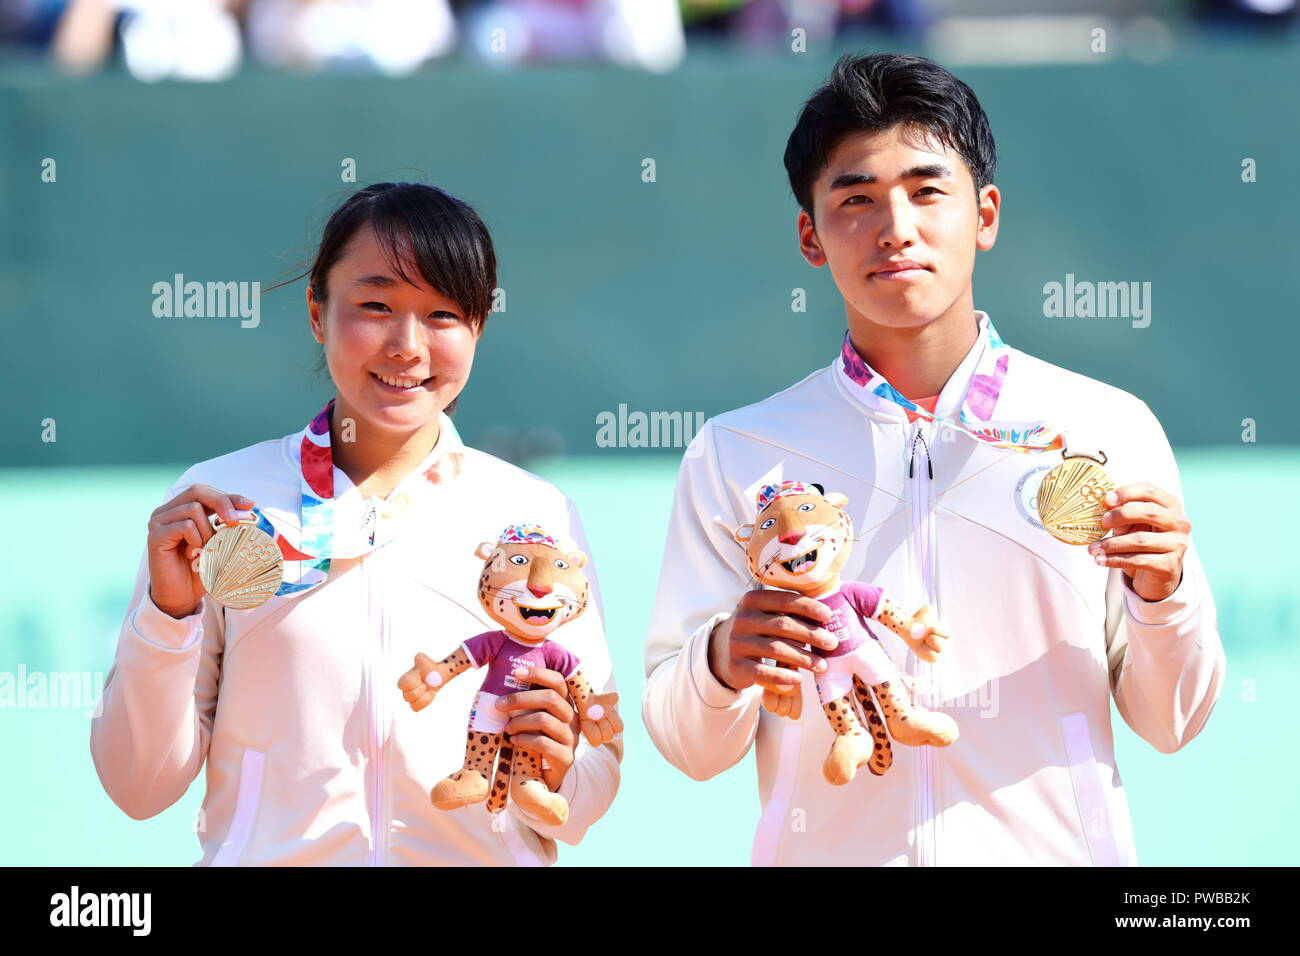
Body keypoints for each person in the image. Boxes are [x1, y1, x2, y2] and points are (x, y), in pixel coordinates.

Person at [642, 53, 1225, 866]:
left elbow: (1174, 720)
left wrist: (1165, 597)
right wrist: (719, 661)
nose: (895, 228)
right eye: (856, 199)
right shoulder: (740, 453)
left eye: (926, 191)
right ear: (810, 235)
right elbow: (687, 745)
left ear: (985, 214)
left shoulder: (1105, 428)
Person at [91, 182, 621, 865]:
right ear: (318, 311)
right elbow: (139, 785)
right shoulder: (225, 507)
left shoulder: (533, 517)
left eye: (442, 314)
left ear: (478, 326)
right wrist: (168, 615)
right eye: (375, 306)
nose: (406, 345)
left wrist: (556, 769)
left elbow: (589, 792)